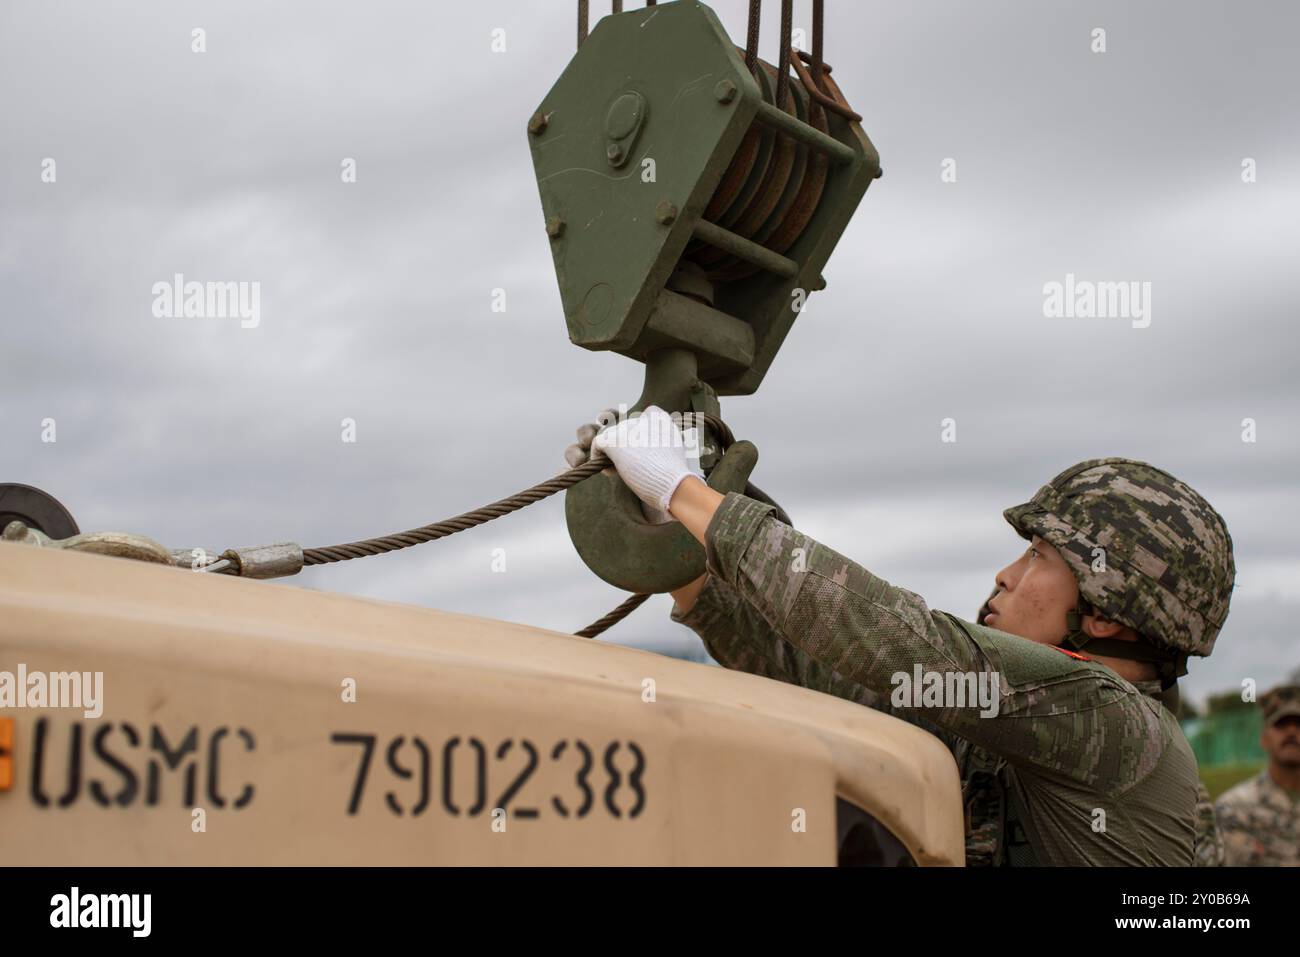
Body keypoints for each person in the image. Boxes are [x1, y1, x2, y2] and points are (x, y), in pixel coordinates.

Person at [567, 406, 1236, 865]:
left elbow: (901, 640)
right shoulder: (1016, 734)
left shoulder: (1115, 726)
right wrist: (673, 540)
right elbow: (815, 667)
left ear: (1107, 613)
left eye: (1037, 556)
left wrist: (682, 488)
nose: (1005, 575)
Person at [1215, 684, 1300, 866]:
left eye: (1299, 724)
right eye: (1281, 724)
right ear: (1264, 738)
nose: (1292, 732)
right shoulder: (1233, 808)